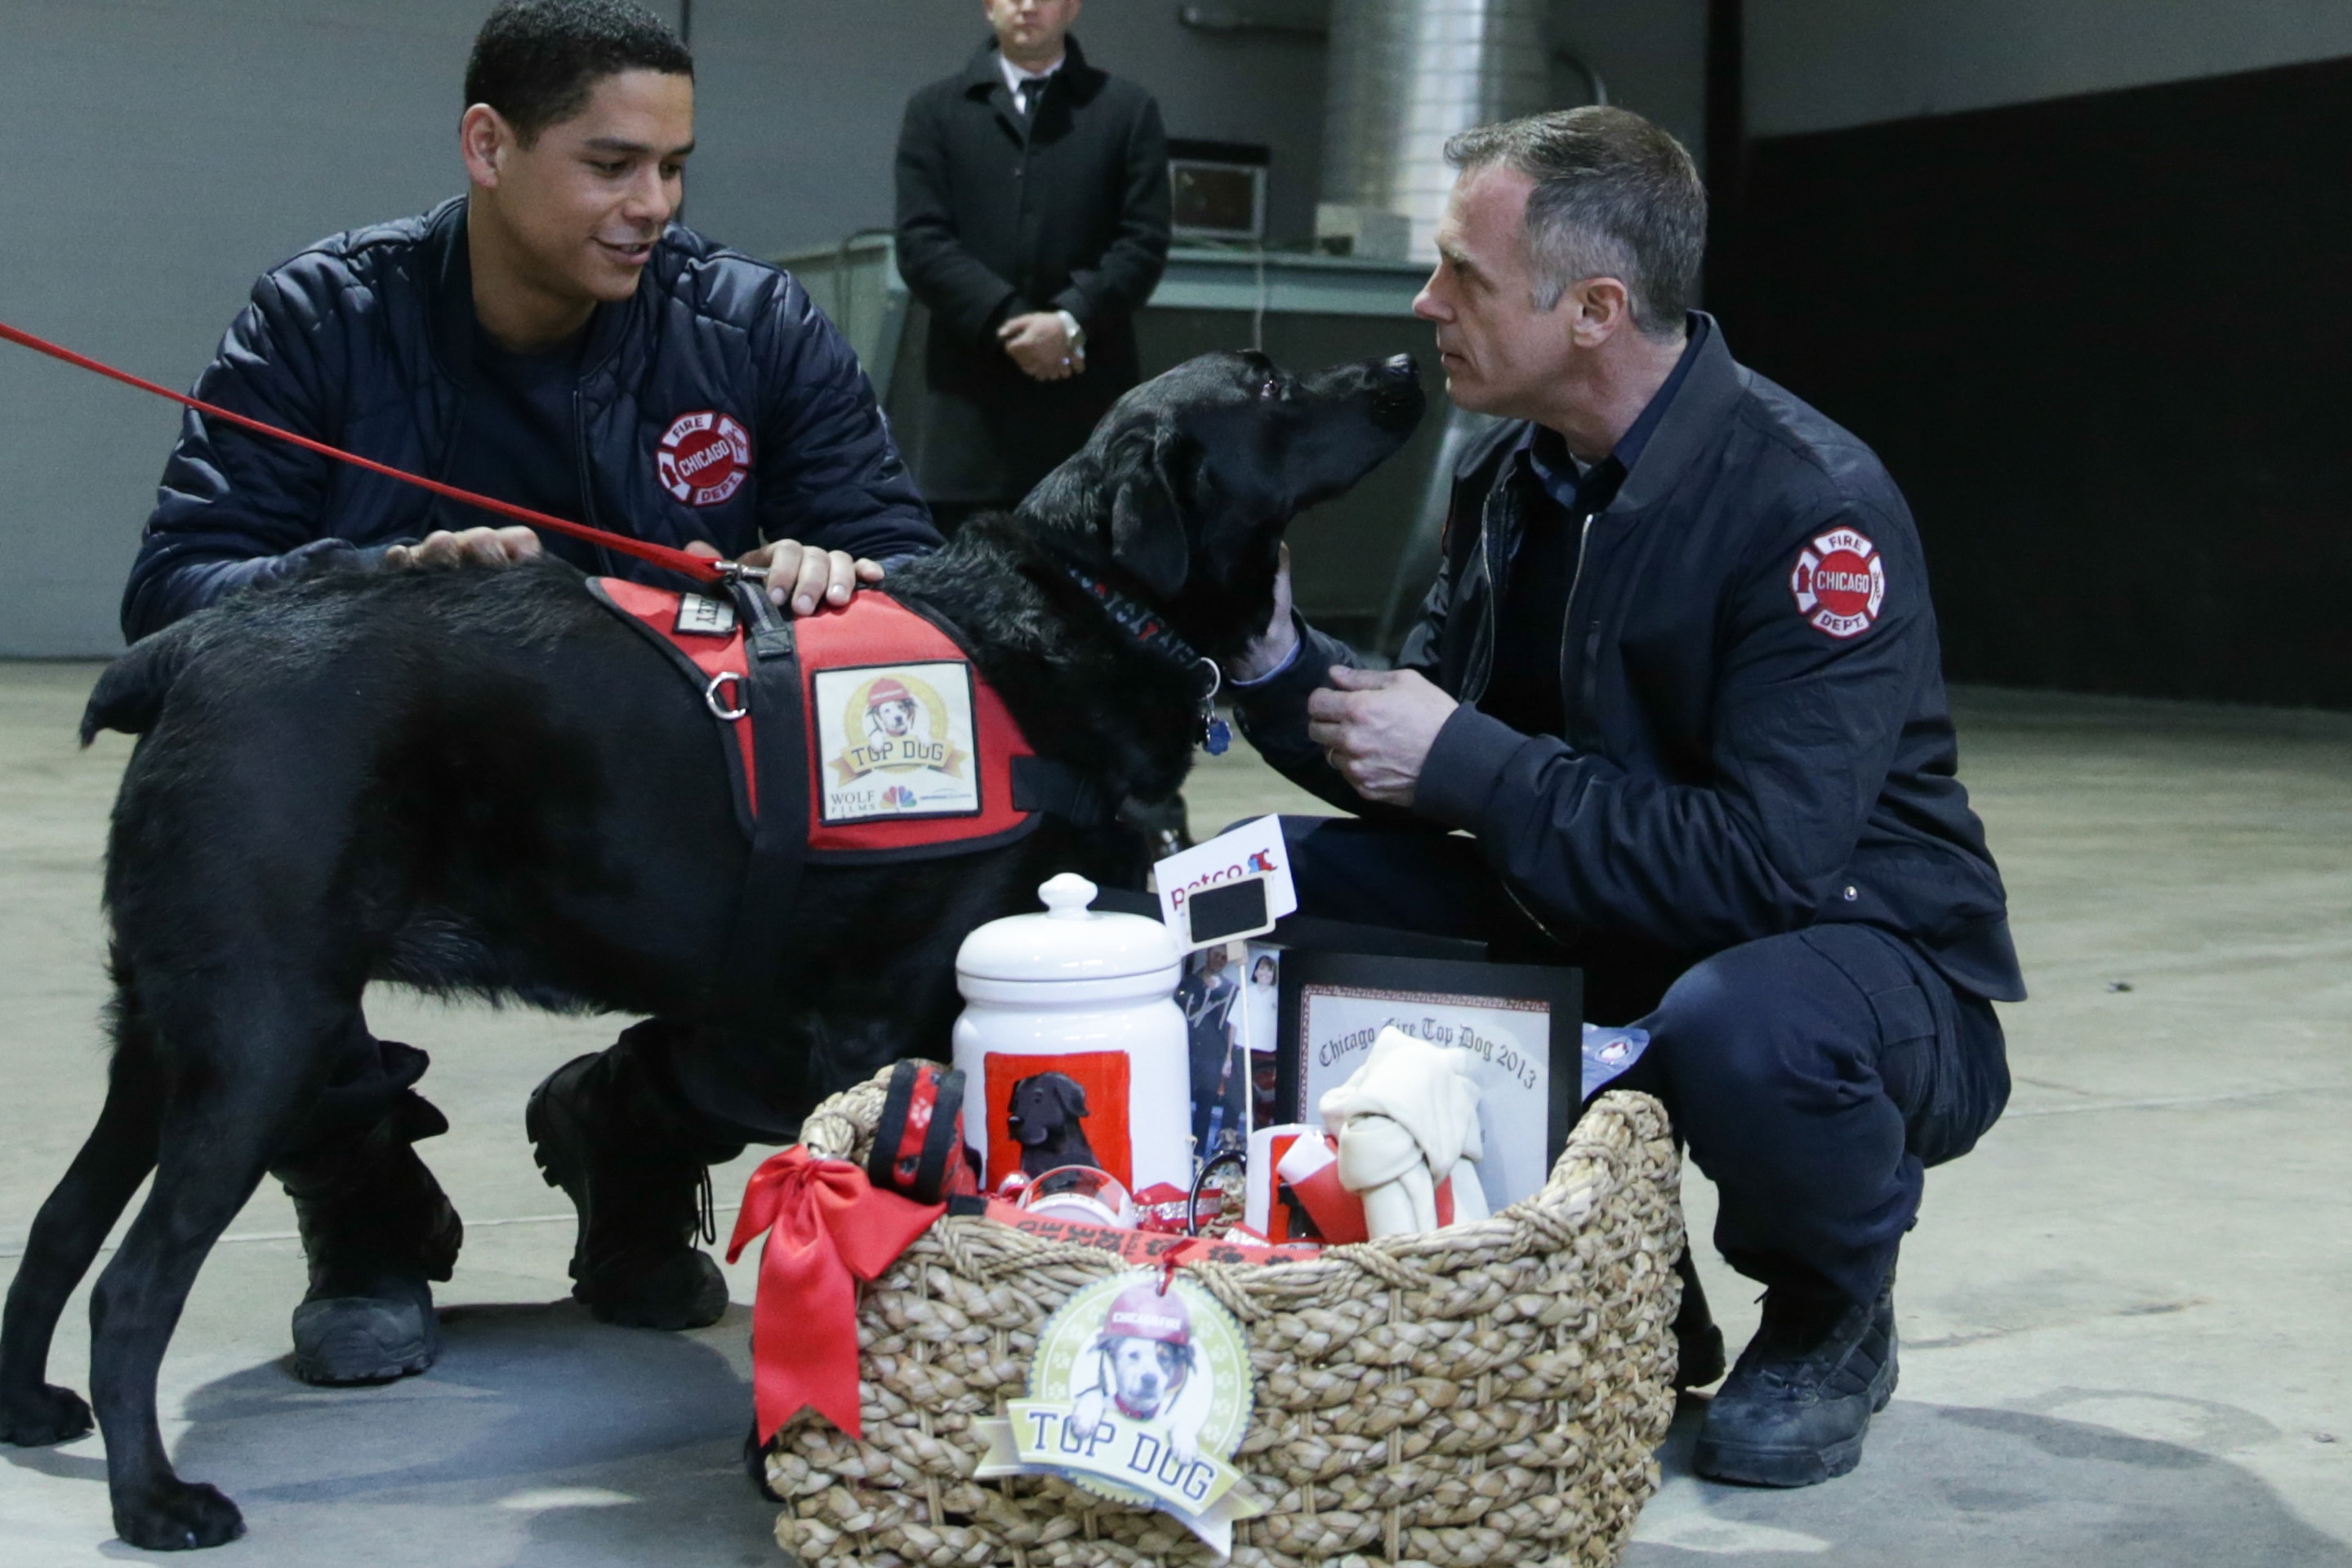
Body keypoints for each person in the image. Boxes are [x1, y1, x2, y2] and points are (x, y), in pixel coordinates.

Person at [120, 0, 942, 1385]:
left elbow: (914, 577)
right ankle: (365, 1206)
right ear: (488, 146)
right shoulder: (322, 315)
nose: (653, 206)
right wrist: (375, 580)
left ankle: (636, 1138)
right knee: (224, 873)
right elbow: (171, 598)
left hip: (668, 816)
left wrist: (838, 578)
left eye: (672, 168)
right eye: (611, 165)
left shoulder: (752, 325)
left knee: (888, 906)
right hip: (396, 811)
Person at [1227, 107, 2024, 1488]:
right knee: (1267, 892)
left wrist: (1474, 763)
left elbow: (1766, 867)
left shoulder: (1811, 507)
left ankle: (1830, 1309)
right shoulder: (1506, 475)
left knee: (1740, 1023)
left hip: (1847, 958)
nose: (1427, 303)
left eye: (1463, 274)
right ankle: (1624, 1283)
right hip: (1598, 906)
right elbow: (1426, 749)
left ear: (1594, 309)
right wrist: (1273, 658)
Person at [893, 0, 1173, 532]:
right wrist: (1011, 320)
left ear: (1072, 6)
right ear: (988, 6)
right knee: (965, 574)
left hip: (1087, 416)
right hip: (966, 418)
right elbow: (921, 242)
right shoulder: (936, 110)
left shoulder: (1125, 110)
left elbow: (1144, 242)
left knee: (1086, 569)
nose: (1026, 6)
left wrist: (1069, 320)